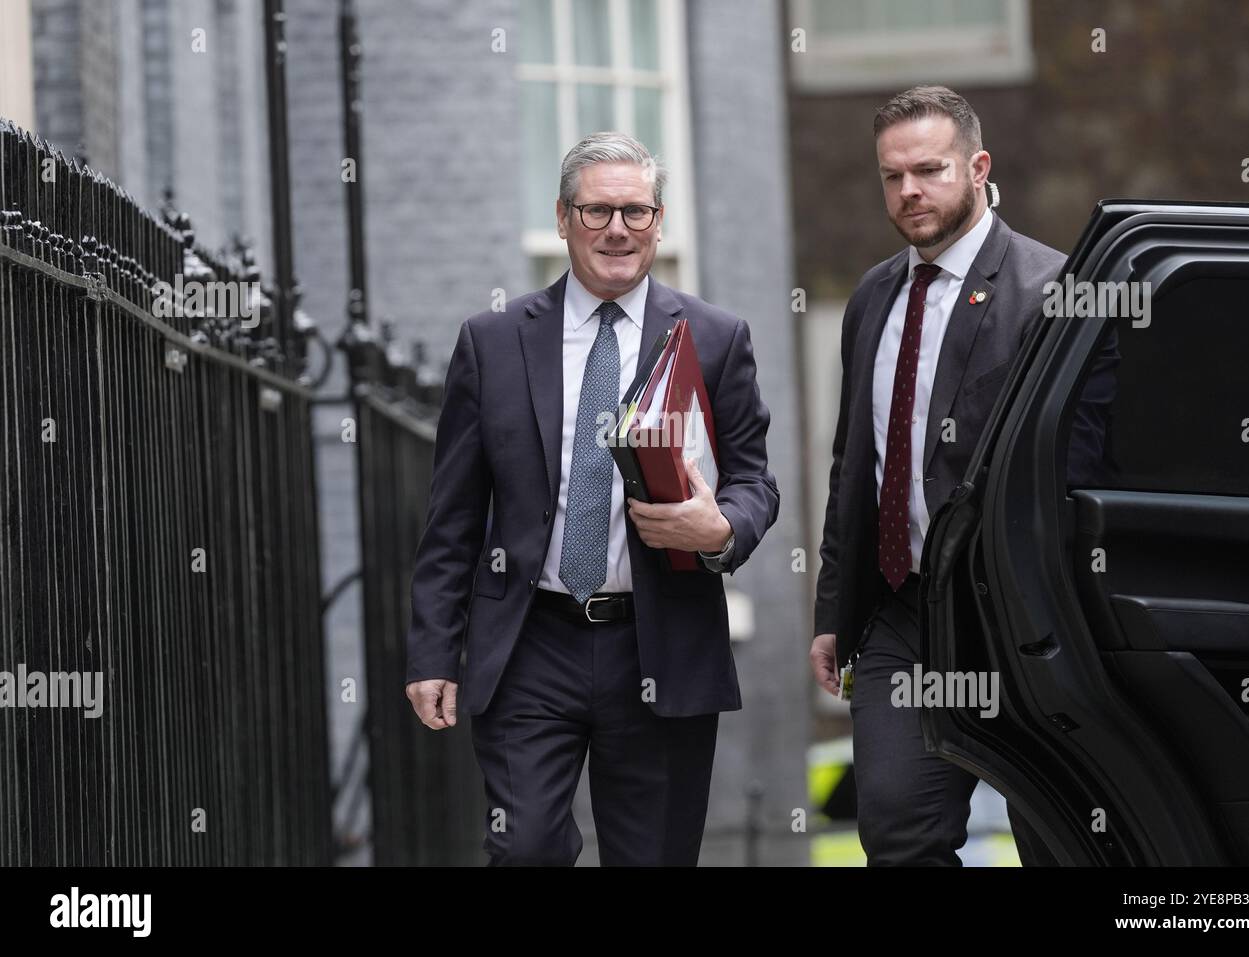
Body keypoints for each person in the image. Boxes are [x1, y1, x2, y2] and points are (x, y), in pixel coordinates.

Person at [405, 131, 779, 866]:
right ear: (562, 217)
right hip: (530, 643)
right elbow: (450, 516)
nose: (618, 229)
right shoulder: (493, 340)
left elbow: (754, 481)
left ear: (659, 221)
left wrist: (719, 528)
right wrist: (432, 651)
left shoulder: (714, 337)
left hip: (663, 638)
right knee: (528, 848)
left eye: (636, 212)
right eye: (598, 211)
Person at [808, 85, 1116, 866]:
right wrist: (832, 610)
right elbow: (856, 464)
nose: (909, 190)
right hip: (904, 617)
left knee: (1056, 840)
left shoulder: (1055, 293)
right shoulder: (872, 298)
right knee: (897, 833)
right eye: (892, 175)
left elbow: (1083, 473)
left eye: (930, 170)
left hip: (1023, 617)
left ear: (978, 167)